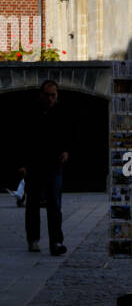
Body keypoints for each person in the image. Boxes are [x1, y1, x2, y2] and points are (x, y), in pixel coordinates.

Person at [17, 79, 72, 255]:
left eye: (53, 95)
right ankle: (33, 239)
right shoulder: (31, 112)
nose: (50, 98)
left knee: (54, 204)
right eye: (47, 95)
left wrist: (66, 151)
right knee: (33, 203)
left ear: (57, 95)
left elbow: (70, 134)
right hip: (34, 165)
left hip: (54, 164)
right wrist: (22, 164)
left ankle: (56, 241)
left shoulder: (62, 112)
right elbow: (21, 138)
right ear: (41, 95)